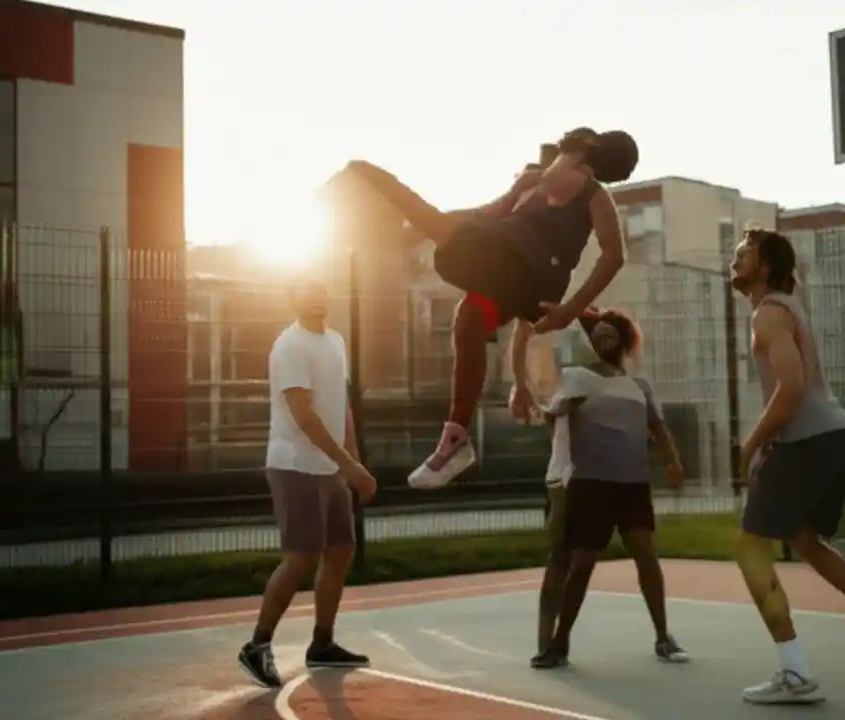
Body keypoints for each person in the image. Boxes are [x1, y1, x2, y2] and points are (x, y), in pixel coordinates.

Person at [333, 127, 637, 490]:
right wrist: (426, 227)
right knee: (469, 319)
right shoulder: (532, 183)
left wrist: (571, 309)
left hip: (534, 272)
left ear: (591, 150)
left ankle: (367, 174)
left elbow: (614, 255)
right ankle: (456, 439)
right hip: (502, 269)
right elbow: (486, 215)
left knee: (445, 232)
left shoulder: (594, 194)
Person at [728, 229, 845, 705]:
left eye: (744, 253)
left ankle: (794, 672)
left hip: (810, 438)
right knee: (806, 538)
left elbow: (790, 388)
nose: (734, 259)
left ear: (766, 267)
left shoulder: (768, 312)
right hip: (834, 434)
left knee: (752, 551)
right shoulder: (789, 305)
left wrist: (751, 444)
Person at [237, 276, 379, 689]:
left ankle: (322, 644)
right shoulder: (290, 346)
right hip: (295, 463)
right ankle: (257, 645)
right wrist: (347, 465)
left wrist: (353, 462)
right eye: (305, 291)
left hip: (330, 465)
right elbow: (304, 415)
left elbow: (342, 405)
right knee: (302, 555)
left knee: (341, 550)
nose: (316, 297)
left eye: (321, 289)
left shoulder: (335, 340)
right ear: (292, 298)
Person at [531, 308, 690, 669]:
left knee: (646, 557)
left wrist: (673, 461)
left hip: (633, 483)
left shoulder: (640, 386)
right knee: (582, 562)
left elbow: (658, 428)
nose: (603, 338)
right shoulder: (577, 378)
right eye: (597, 335)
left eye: (610, 333)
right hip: (590, 483)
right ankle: (560, 642)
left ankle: (664, 636)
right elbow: (552, 419)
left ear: (624, 338)